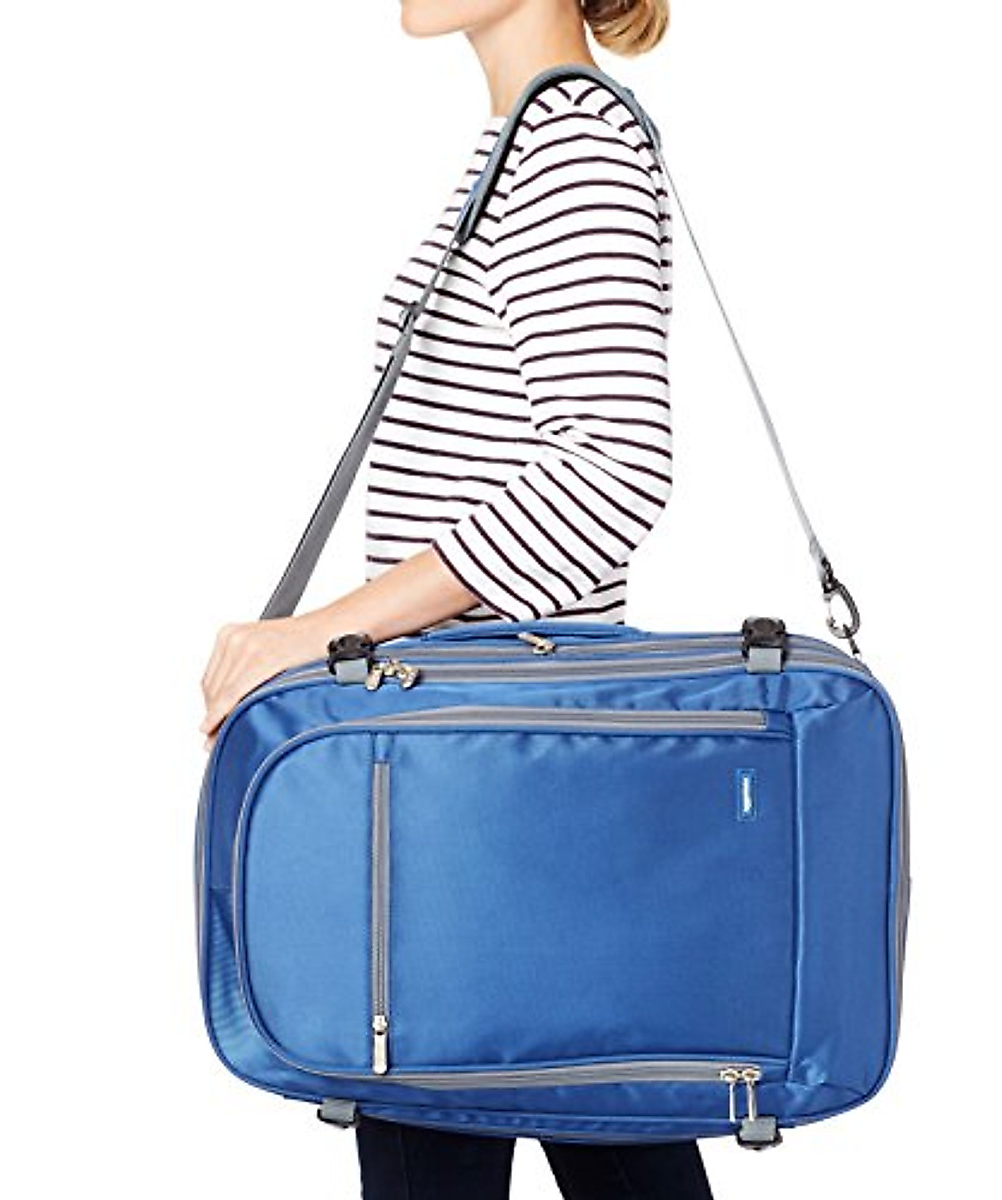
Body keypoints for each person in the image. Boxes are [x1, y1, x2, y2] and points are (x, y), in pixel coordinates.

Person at [200, 1, 710, 1195]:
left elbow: (613, 469)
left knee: (477, 1126)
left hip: (490, 778)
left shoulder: (570, 148)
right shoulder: (529, 140)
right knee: (559, 1129)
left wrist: (323, 631)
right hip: (477, 765)